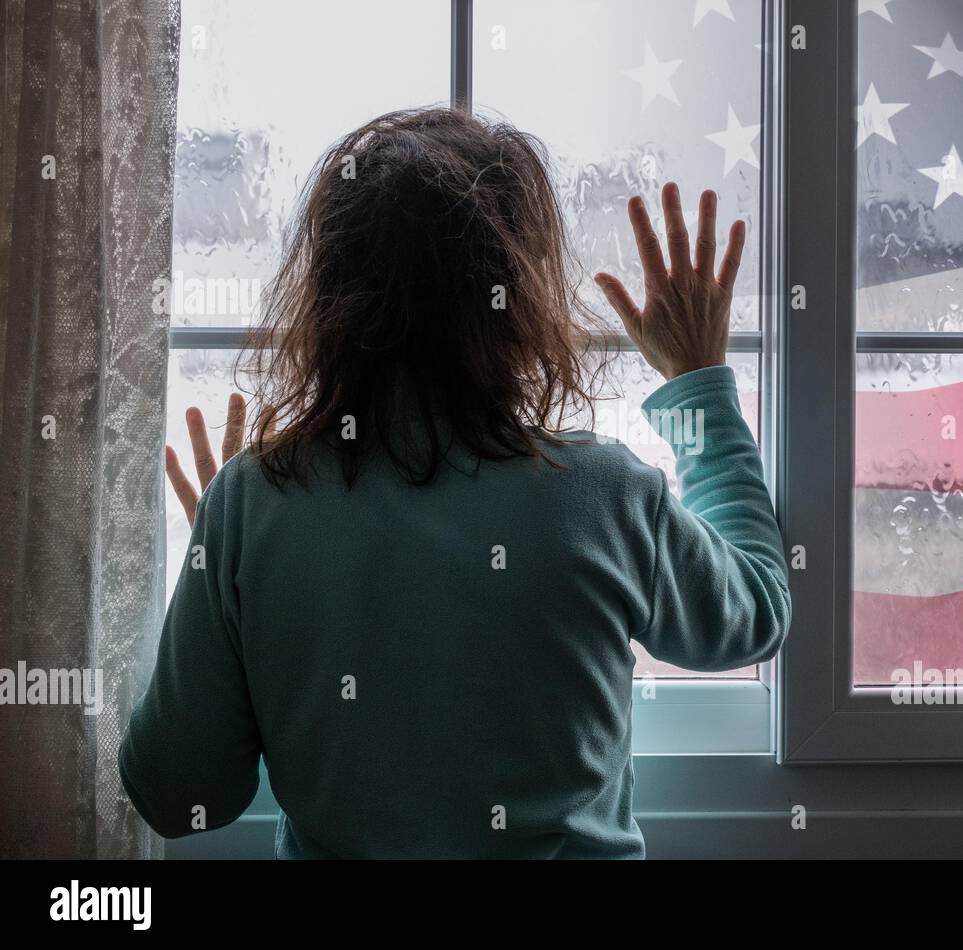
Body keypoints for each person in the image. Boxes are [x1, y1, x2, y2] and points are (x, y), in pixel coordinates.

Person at [119, 108, 790, 858]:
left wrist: (224, 562)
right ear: (518, 303)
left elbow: (180, 796)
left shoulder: (251, 504)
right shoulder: (604, 494)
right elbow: (756, 609)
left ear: (327, 299)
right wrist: (698, 384)